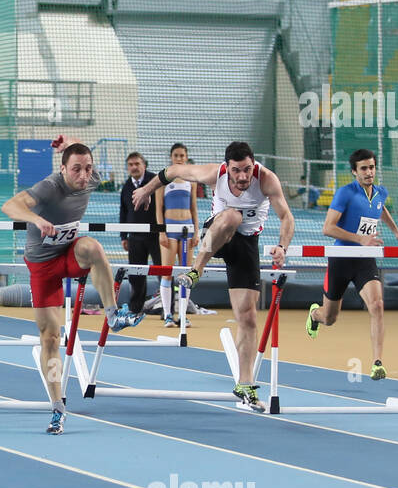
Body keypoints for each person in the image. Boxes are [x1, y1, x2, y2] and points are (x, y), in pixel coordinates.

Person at [130, 141, 295, 412]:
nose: (242, 177)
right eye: (236, 171)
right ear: (227, 168)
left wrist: (282, 247)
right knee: (231, 217)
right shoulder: (213, 174)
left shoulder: (266, 180)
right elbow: (173, 171)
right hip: (216, 235)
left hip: (246, 245)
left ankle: (245, 383)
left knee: (248, 316)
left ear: (253, 166)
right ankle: (197, 270)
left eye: (247, 170)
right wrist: (147, 190)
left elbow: (286, 217)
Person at [3, 136, 141, 435]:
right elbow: (10, 206)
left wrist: (72, 142)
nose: (83, 175)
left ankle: (113, 314)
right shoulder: (49, 187)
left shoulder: (90, 180)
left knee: (92, 246)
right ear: (63, 169)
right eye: (76, 169)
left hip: (68, 255)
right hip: (42, 267)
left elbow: (80, 156)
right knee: (51, 339)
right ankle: (57, 406)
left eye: (87, 169)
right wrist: (36, 220)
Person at [304, 149, 398, 380]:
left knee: (377, 305)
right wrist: (360, 238)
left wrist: (396, 232)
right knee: (330, 318)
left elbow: (380, 208)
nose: (369, 172)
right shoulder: (345, 193)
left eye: (372, 167)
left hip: (365, 260)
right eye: (363, 168)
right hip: (340, 259)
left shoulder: (381, 192)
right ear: (354, 171)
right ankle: (315, 316)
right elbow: (328, 228)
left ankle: (377, 362)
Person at [153, 143, 199, 327]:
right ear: (171, 157)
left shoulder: (192, 180)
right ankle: (167, 315)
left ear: (186, 157)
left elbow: (194, 208)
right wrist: (161, 232)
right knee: (167, 273)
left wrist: (196, 232)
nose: (179, 158)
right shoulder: (163, 179)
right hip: (170, 228)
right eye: (176, 155)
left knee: (186, 274)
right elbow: (158, 209)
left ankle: (182, 314)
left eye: (182, 155)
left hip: (187, 228)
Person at [118, 151, 159, 329]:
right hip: (134, 237)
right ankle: (135, 309)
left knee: (162, 271)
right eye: (131, 164)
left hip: (156, 236)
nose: (134, 167)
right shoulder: (126, 186)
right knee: (136, 274)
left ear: (144, 165)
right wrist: (123, 236)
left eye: (137, 163)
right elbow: (123, 211)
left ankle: (168, 308)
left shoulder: (155, 181)